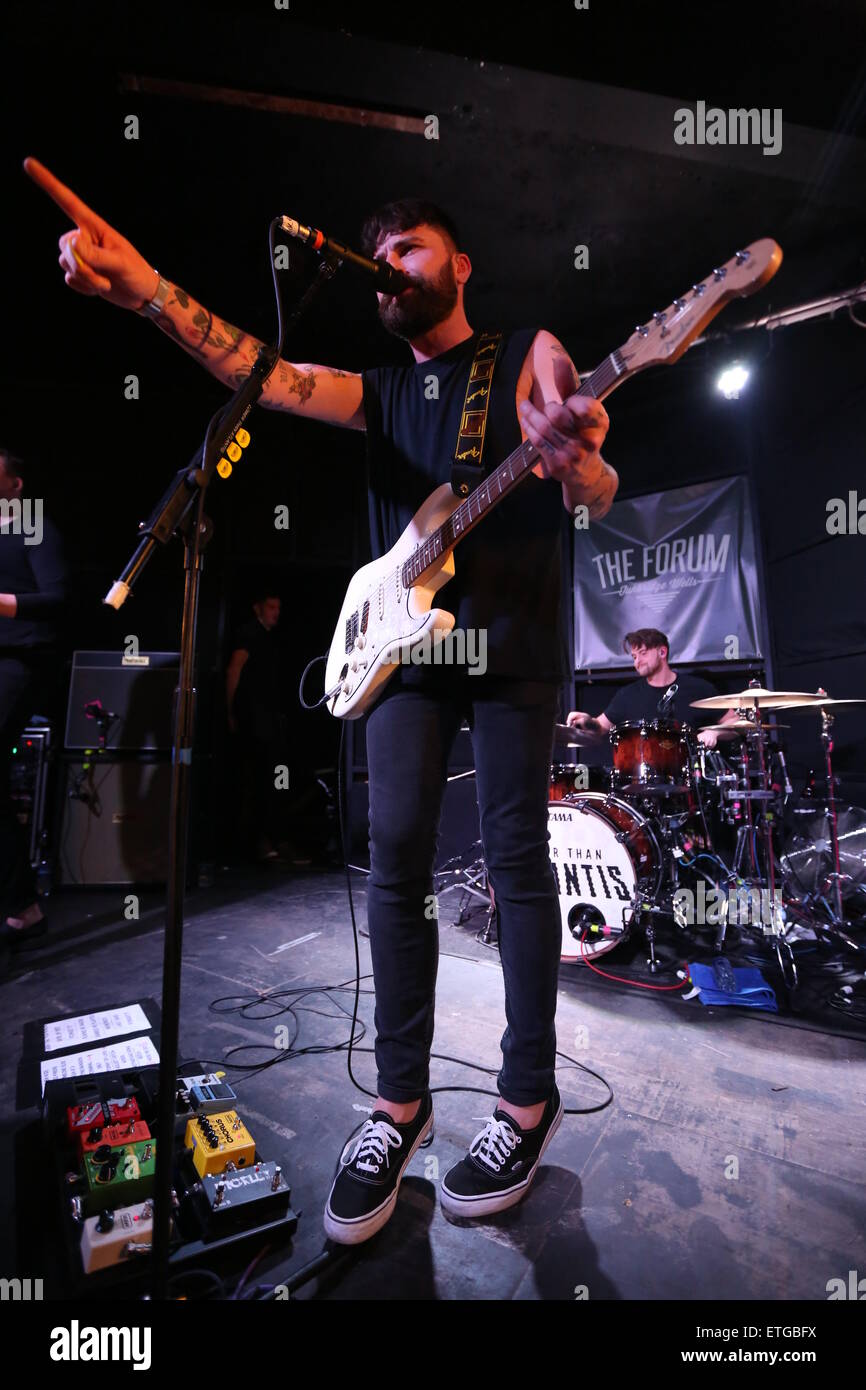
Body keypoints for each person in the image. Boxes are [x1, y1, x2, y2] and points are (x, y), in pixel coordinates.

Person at [25, 158, 618, 1244]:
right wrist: (148, 287)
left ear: (459, 264)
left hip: (510, 641)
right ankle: (399, 1104)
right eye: (379, 257)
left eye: (410, 249)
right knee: (391, 858)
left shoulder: (523, 352)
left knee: (512, 854)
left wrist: (577, 462)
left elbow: (592, 481)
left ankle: (523, 1101)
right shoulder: (375, 388)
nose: (388, 268)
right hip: (406, 645)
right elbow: (257, 367)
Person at [0, 447, 67, 948]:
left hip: (20, 661)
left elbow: (57, 596)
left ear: (15, 485)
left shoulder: (32, 524)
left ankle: (24, 905)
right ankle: (21, 904)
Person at [566, 627, 737, 747]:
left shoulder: (698, 688)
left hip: (693, 782)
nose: (637, 662)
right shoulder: (627, 695)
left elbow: (735, 722)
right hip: (642, 785)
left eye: (643, 653)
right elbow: (600, 727)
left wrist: (714, 733)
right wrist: (587, 721)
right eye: (634, 656)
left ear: (662, 652)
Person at [225, 591, 291, 862]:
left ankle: (274, 837)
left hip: (270, 720)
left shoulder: (271, 639)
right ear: (258, 608)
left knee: (276, 778)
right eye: (271, 606)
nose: (276, 612)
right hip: (253, 721)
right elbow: (233, 670)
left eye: (278, 607)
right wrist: (229, 711)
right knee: (255, 781)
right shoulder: (248, 634)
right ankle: (255, 843)